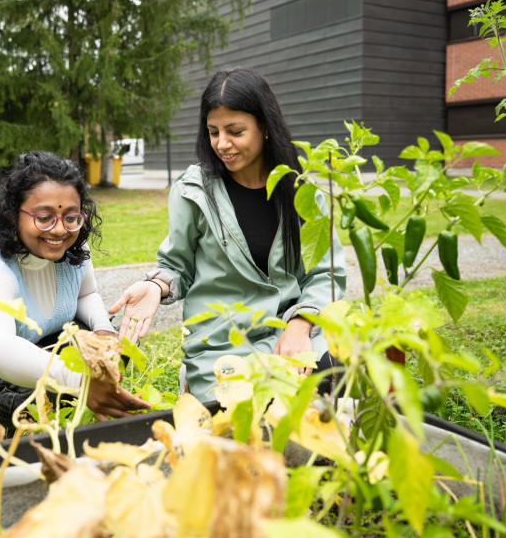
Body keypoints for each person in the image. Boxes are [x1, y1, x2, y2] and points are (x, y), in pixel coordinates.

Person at [108, 67, 347, 400]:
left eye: (235, 131)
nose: (222, 144)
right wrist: (154, 285)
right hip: (224, 343)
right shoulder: (194, 191)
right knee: (251, 414)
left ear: (264, 126)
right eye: (213, 131)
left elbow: (325, 273)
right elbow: (177, 265)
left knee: (337, 380)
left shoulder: (302, 192)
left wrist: (301, 325)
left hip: (289, 332)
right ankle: (193, 381)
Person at [0, 151, 149, 449]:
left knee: (106, 354)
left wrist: (103, 333)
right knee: (42, 382)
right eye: (44, 217)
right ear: (12, 214)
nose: (60, 229)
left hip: (16, 338)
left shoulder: (70, 244)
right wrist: (79, 384)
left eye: (71, 216)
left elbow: (85, 294)